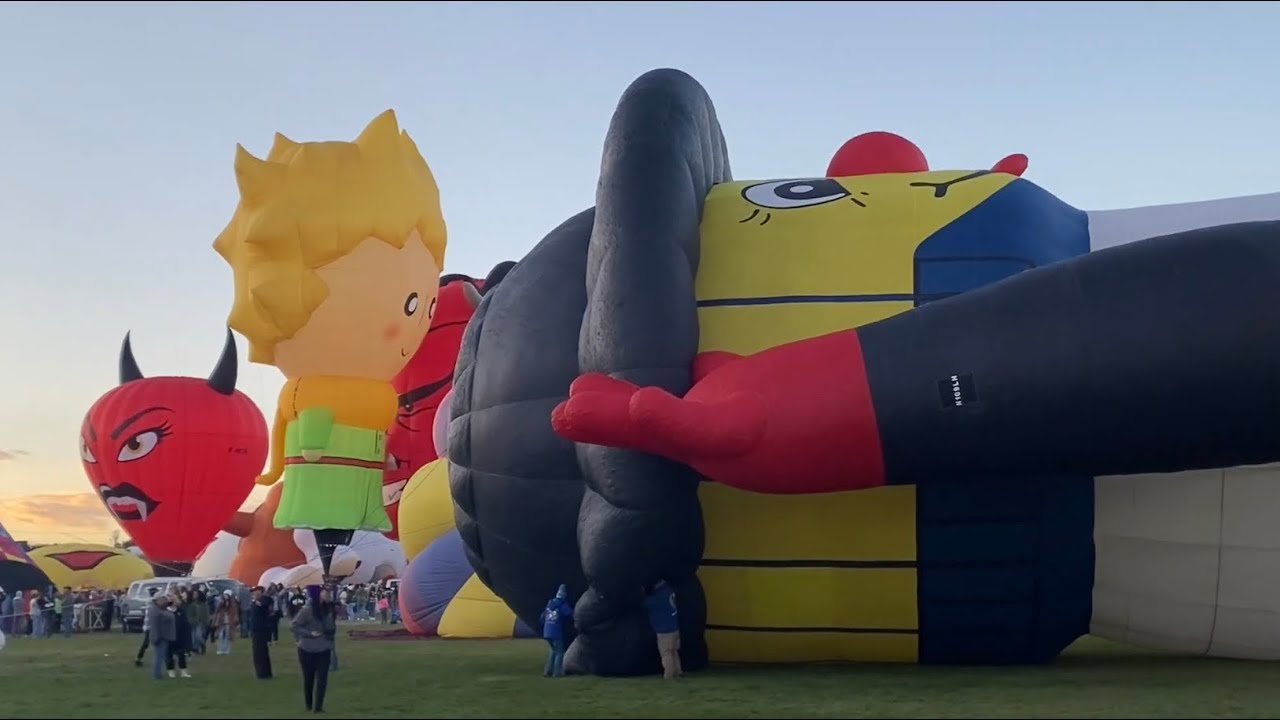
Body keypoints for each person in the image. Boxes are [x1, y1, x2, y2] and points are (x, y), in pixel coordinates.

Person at [291, 586, 336, 713]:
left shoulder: (327, 609)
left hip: (324, 648)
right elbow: (294, 625)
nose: (327, 593)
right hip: (307, 649)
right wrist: (309, 633)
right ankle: (309, 704)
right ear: (318, 594)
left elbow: (331, 628)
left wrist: (330, 633)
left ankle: (318, 707)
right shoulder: (307, 610)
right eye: (324, 591)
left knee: (322, 679)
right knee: (308, 678)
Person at [644, 580, 682, 679]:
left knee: (666, 653)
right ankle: (678, 671)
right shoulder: (669, 591)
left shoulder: (657, 597)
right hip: (675, 627)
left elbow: (646, 604)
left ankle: (669, 674)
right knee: (673, 651)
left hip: (664, 630)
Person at [539, 584, 573, 678]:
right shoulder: (561, 605)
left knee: (553, 651)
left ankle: (548, 671)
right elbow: (570, 614)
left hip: (546, 632)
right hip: (556, 632)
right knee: (560, 652)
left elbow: (542, 618)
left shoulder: (549, 604)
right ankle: (557, 673)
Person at [148, 594, 177, 680]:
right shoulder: (156, 611)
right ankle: (157, 674)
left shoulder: (160, 609)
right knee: (159, 656)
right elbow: (155, 625)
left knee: (161, 655)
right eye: (163, 599)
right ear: (157, 600)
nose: (165, 601)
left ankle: (158, 673)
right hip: (160, 637)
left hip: (163, 636)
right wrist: (156, 637)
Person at [250, 586, 274, 679]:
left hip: (262, 629)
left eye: (255, 591)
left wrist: (256, 601)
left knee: (261, 652)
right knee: (258, 652)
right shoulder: (254, 602)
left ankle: (263, 672)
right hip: (255, 629)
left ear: (260, 591)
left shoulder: (265, 599)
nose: (253, 593)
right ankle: (262, 672)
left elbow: (264, 605)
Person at [167, 594, 193, 678]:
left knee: (181, 654)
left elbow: (185, 623)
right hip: (169, 636)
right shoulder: (166, 611)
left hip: (180, 636)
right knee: (169, 654)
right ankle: (171, 671)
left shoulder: (181, 611)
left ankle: (183, 671)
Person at [213, 589, 240, 655]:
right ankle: (220, 649)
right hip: (221, 622)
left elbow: (235, 613)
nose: (225, 596)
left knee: (228, 636)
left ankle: (227, 649)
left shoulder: (233, 604)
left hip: (229, 623)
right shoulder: (221, 603)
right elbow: (217, 611)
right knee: (220, 636)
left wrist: (236, 622)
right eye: (225, 595)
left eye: (227, 595)